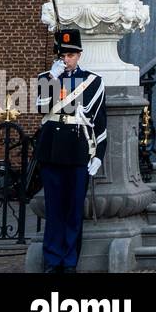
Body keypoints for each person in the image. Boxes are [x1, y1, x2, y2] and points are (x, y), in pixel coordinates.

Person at [34, 29, 106, 273]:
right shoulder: (47, 77)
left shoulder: (93, 81)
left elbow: (100, 122)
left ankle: (69, 261)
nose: (67, 59)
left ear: (79, 55)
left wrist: (98, 155)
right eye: (63, 54)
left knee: (74, 210)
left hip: (78, 151)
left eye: (72, 54)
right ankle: (53, 260)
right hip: (52, 150)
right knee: (54, 210)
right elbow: (42, 109)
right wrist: (52, 80)